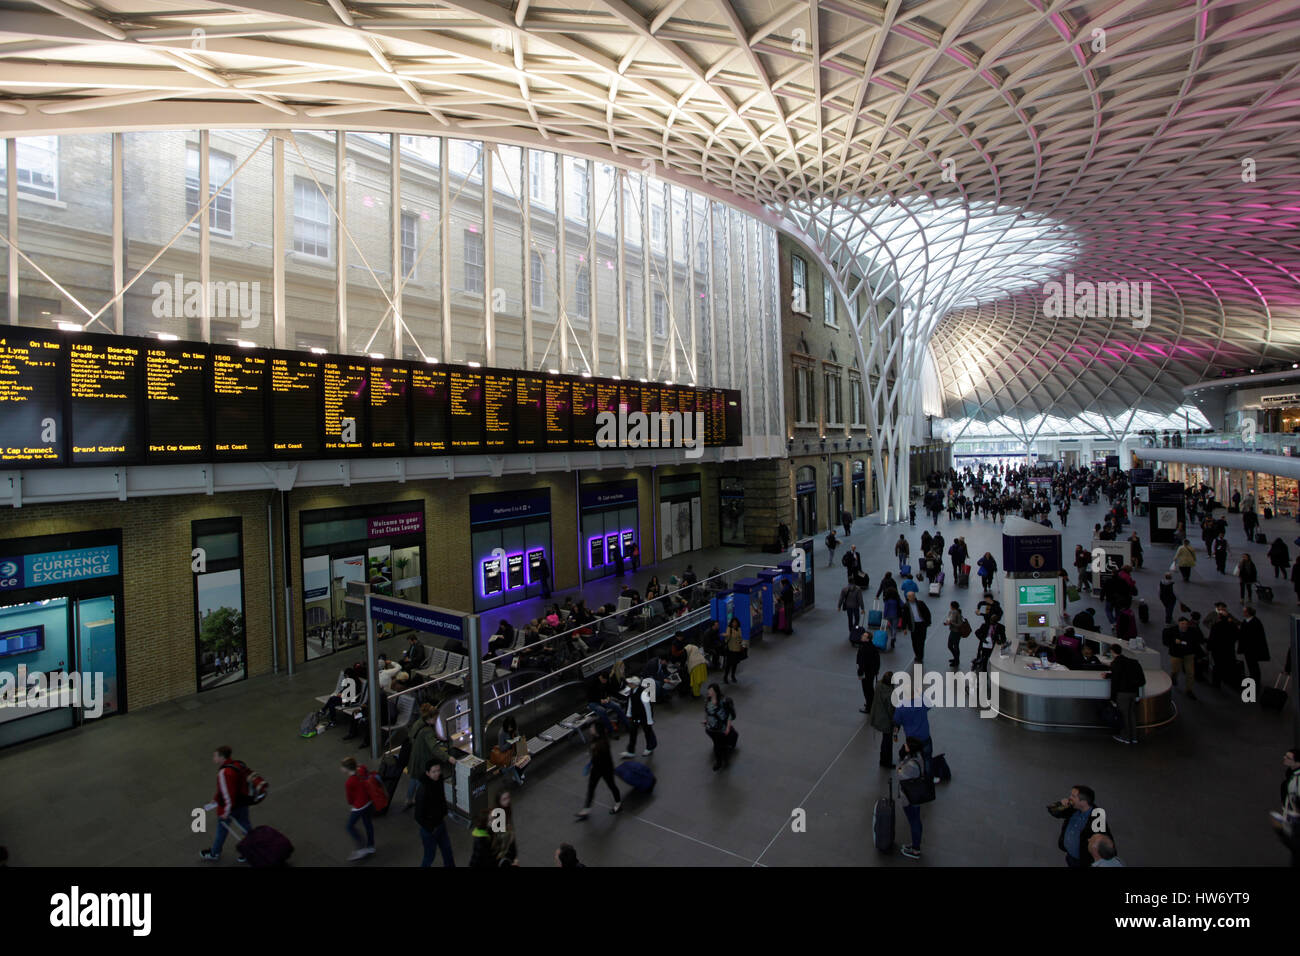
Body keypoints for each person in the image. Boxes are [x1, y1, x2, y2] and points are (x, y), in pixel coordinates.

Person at [200, 745, 252, 862]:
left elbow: (228, 795)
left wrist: (225, 812)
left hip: (230, 808)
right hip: (242, 803)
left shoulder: (224, 772)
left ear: (222, 757)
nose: (213, 758)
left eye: (215, 756)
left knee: (221, 831)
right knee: (246, 827)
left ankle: (214, 853)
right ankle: (250, 851)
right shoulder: (237, 764)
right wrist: (216, 798)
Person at [1049, 785, 1112, 868]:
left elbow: (1105, 844)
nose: (1069, 798)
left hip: (1083, 862)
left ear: (1083, 802)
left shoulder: (1097, 817)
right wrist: (1061, 804)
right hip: (1070, 857)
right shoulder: (1073, 808)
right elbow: (1052, 810)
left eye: (1073, 796)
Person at [575, 722, 623, 819]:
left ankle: (618, 803)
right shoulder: (596, 740)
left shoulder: (602, 744)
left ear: (597, 730)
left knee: (611, 785)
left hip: (605, 769)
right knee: (591, 787)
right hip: (597, 768)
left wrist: (592, 759)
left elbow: (600, 758)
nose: (590, 729)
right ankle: (586, 809)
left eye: (593, 728)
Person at [414, 759, 455, 867]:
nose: (437, 773)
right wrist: (430, 828)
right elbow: (418, 815)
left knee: (447, 852)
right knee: (429, 856)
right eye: (434, 771)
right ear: (427, 773)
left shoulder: (438, 781)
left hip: (440, 823)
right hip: (429, 830)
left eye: (438, 770)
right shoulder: (422, 790)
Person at [1105, 645, 1145, 745]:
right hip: (1133, 692)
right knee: (1131, 715)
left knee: (1124, 715)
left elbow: (1116, 680)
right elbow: (1126, 675)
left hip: (1122, 693)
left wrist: (1112, 698)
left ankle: (1126, 737)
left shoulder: (1115, 663)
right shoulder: (1133, 662)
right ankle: (1134, 737)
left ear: (1112, 652)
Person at [897, 737, 927, 860]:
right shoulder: (918, 758)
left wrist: (900, 763)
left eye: (907, 745)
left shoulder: (911, 765)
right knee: (916, 820)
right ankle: (915, 844)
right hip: (916, 796)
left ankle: (915, 849)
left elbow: (899, 773)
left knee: (913, 821)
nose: (905, 745)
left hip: (910, 797)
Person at [341, 756, 376, 862]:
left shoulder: (349, 782)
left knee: (350, 827)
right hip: (369, 802)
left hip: (360, 806)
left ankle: (361, 849)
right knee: (368, 823)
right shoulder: (362, 768)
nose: (341, 769)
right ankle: (371, 846)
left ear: (347, 769)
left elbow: (350, 799)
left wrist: (353, 804)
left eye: (342, 767)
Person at [892, 690, 934, 780]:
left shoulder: (901, 707)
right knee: (927, 759)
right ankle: (928, 780)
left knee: (912, 759)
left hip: (912, 740)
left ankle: (914, 778)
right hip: (924, 737)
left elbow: (896, 722)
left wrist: (895, 735)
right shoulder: (922, 701)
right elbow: (930, 705)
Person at [1162, 617, 1201, 699]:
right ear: (1178, 624)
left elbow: (1197, 642)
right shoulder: (1172, 630)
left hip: (1188, 654)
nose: (1184, 626)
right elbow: (1165, 640)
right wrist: (1173, 641)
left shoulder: (1193, 631)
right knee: (1175, 669)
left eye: (1186, 624)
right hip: (1176, 653)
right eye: (1182, 624)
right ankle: (1174, 676)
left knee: (1190, 672)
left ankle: (1189, 690)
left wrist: (1197, 653)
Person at [703, 683, 738, 771]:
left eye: (711, 691)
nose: (709, 692)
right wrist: (706, 721)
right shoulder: (708, 701)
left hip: (721, 729)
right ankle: (724, 757)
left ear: (716, 692)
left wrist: (728, 727)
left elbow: (729, 715)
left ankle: (719, 762)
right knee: (719, 744)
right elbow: (707, 713)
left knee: (718, 746)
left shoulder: (723, 702)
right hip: (711, 729)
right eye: (708, 690)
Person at [620, 676, 657, 757]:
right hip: (635, 716)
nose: (628, 684)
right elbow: (630, 703)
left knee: (648, 732)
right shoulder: (632, 691)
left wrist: (649, 720)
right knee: (633, 733)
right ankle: (631, 751)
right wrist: (629, 714)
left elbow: (648, 707)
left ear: (634, 684)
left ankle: (650, 747)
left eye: (630, 683)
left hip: (644, 717)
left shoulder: (643, 693)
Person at [1207, 602, 1241, 690]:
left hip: (1217, 650)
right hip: (1229, 649)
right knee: (1229, 664)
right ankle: (1230, 680)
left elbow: (1212, 638)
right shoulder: (1232, 626)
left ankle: (1216, 683)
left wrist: (1209, 647)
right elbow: (1237, 635)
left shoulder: (1216, 626)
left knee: (1217, 666)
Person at [1238, 605, 1269, 688]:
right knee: (1251, 665)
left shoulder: (1255, 623)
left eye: (1244, 611)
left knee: (1253, 665)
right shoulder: (1248, 621)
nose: (1243, 613)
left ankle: (1255, 681)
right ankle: (1254, 678)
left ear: (1248, 613)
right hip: (1248, 649)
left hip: (1252, 649)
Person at [585, 671, 625, 736]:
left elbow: (609, 691)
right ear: (600, 677)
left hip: (603, 699)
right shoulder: (592, 683)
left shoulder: (606, 680)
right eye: (604, 680)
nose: (605, 682)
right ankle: (611, 730)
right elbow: (590, 697)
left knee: (617, 706)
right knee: (602, 711)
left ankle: (626, 723)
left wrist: (608, 697)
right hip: (593, 702)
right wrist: (600, 700)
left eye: (606, 680)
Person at [870, 671, 896, 768]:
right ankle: (887, 761)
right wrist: (895, 721)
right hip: (886, 720)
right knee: (888, 741)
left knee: (885, 740)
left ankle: (882, 759)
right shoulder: (890, 694)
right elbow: (891, 709)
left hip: (878, 716)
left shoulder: (879, 686)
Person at [489, 792, 519, 866]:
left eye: (508, 797)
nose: (508, 800)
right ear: (499, 801)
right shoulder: (498, 813)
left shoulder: (507, 809)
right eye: (504, 799)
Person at [856, 631, 881, 714]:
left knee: (866, 690)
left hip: (866, 672)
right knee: (870, 689)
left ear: (867, 639)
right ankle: (872, 704)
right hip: (872, 672)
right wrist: (876, 670)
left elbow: (862, 662)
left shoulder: (863, 648)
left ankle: (869, 707)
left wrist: (860, 673)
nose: (862, 636)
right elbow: (877, 660)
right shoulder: (873, 647)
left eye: (864, 636)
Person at [906, 591, 930, 665]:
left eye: (912, 596)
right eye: (909, 597)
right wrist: (904, 627)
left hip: (922, 625)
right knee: (914, 641)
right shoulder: (906, 605)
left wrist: (927, 622)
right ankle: (917, 654)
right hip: (913, 625)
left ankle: (920, 656)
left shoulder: (920, 603)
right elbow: (904, 616)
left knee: (921, 641)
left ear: (914, 596)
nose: (911, 598)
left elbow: (927, 613)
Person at [723, 616, 747, 684]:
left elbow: (740, 638)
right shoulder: (729, 629)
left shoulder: (739, 629)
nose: (734, 624)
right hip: (731, 649)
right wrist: (726, 635)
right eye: (733, 622)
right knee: (728, 664)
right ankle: (725, 677)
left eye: (736, 622)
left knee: (735, 664)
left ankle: (733, 676)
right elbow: (727, 638)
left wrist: (742, 644)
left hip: (737, 649)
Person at [943, 601, 965, 669]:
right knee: (950, 645)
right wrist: (947, 623)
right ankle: (955, 658)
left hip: (956, 632)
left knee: (955, 646)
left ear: (952, 606)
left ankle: (956, 660)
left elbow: (960, 624)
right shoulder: (951, 612)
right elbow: (949, 620)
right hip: (952, 631)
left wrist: (951, 623)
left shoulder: (957, 613)